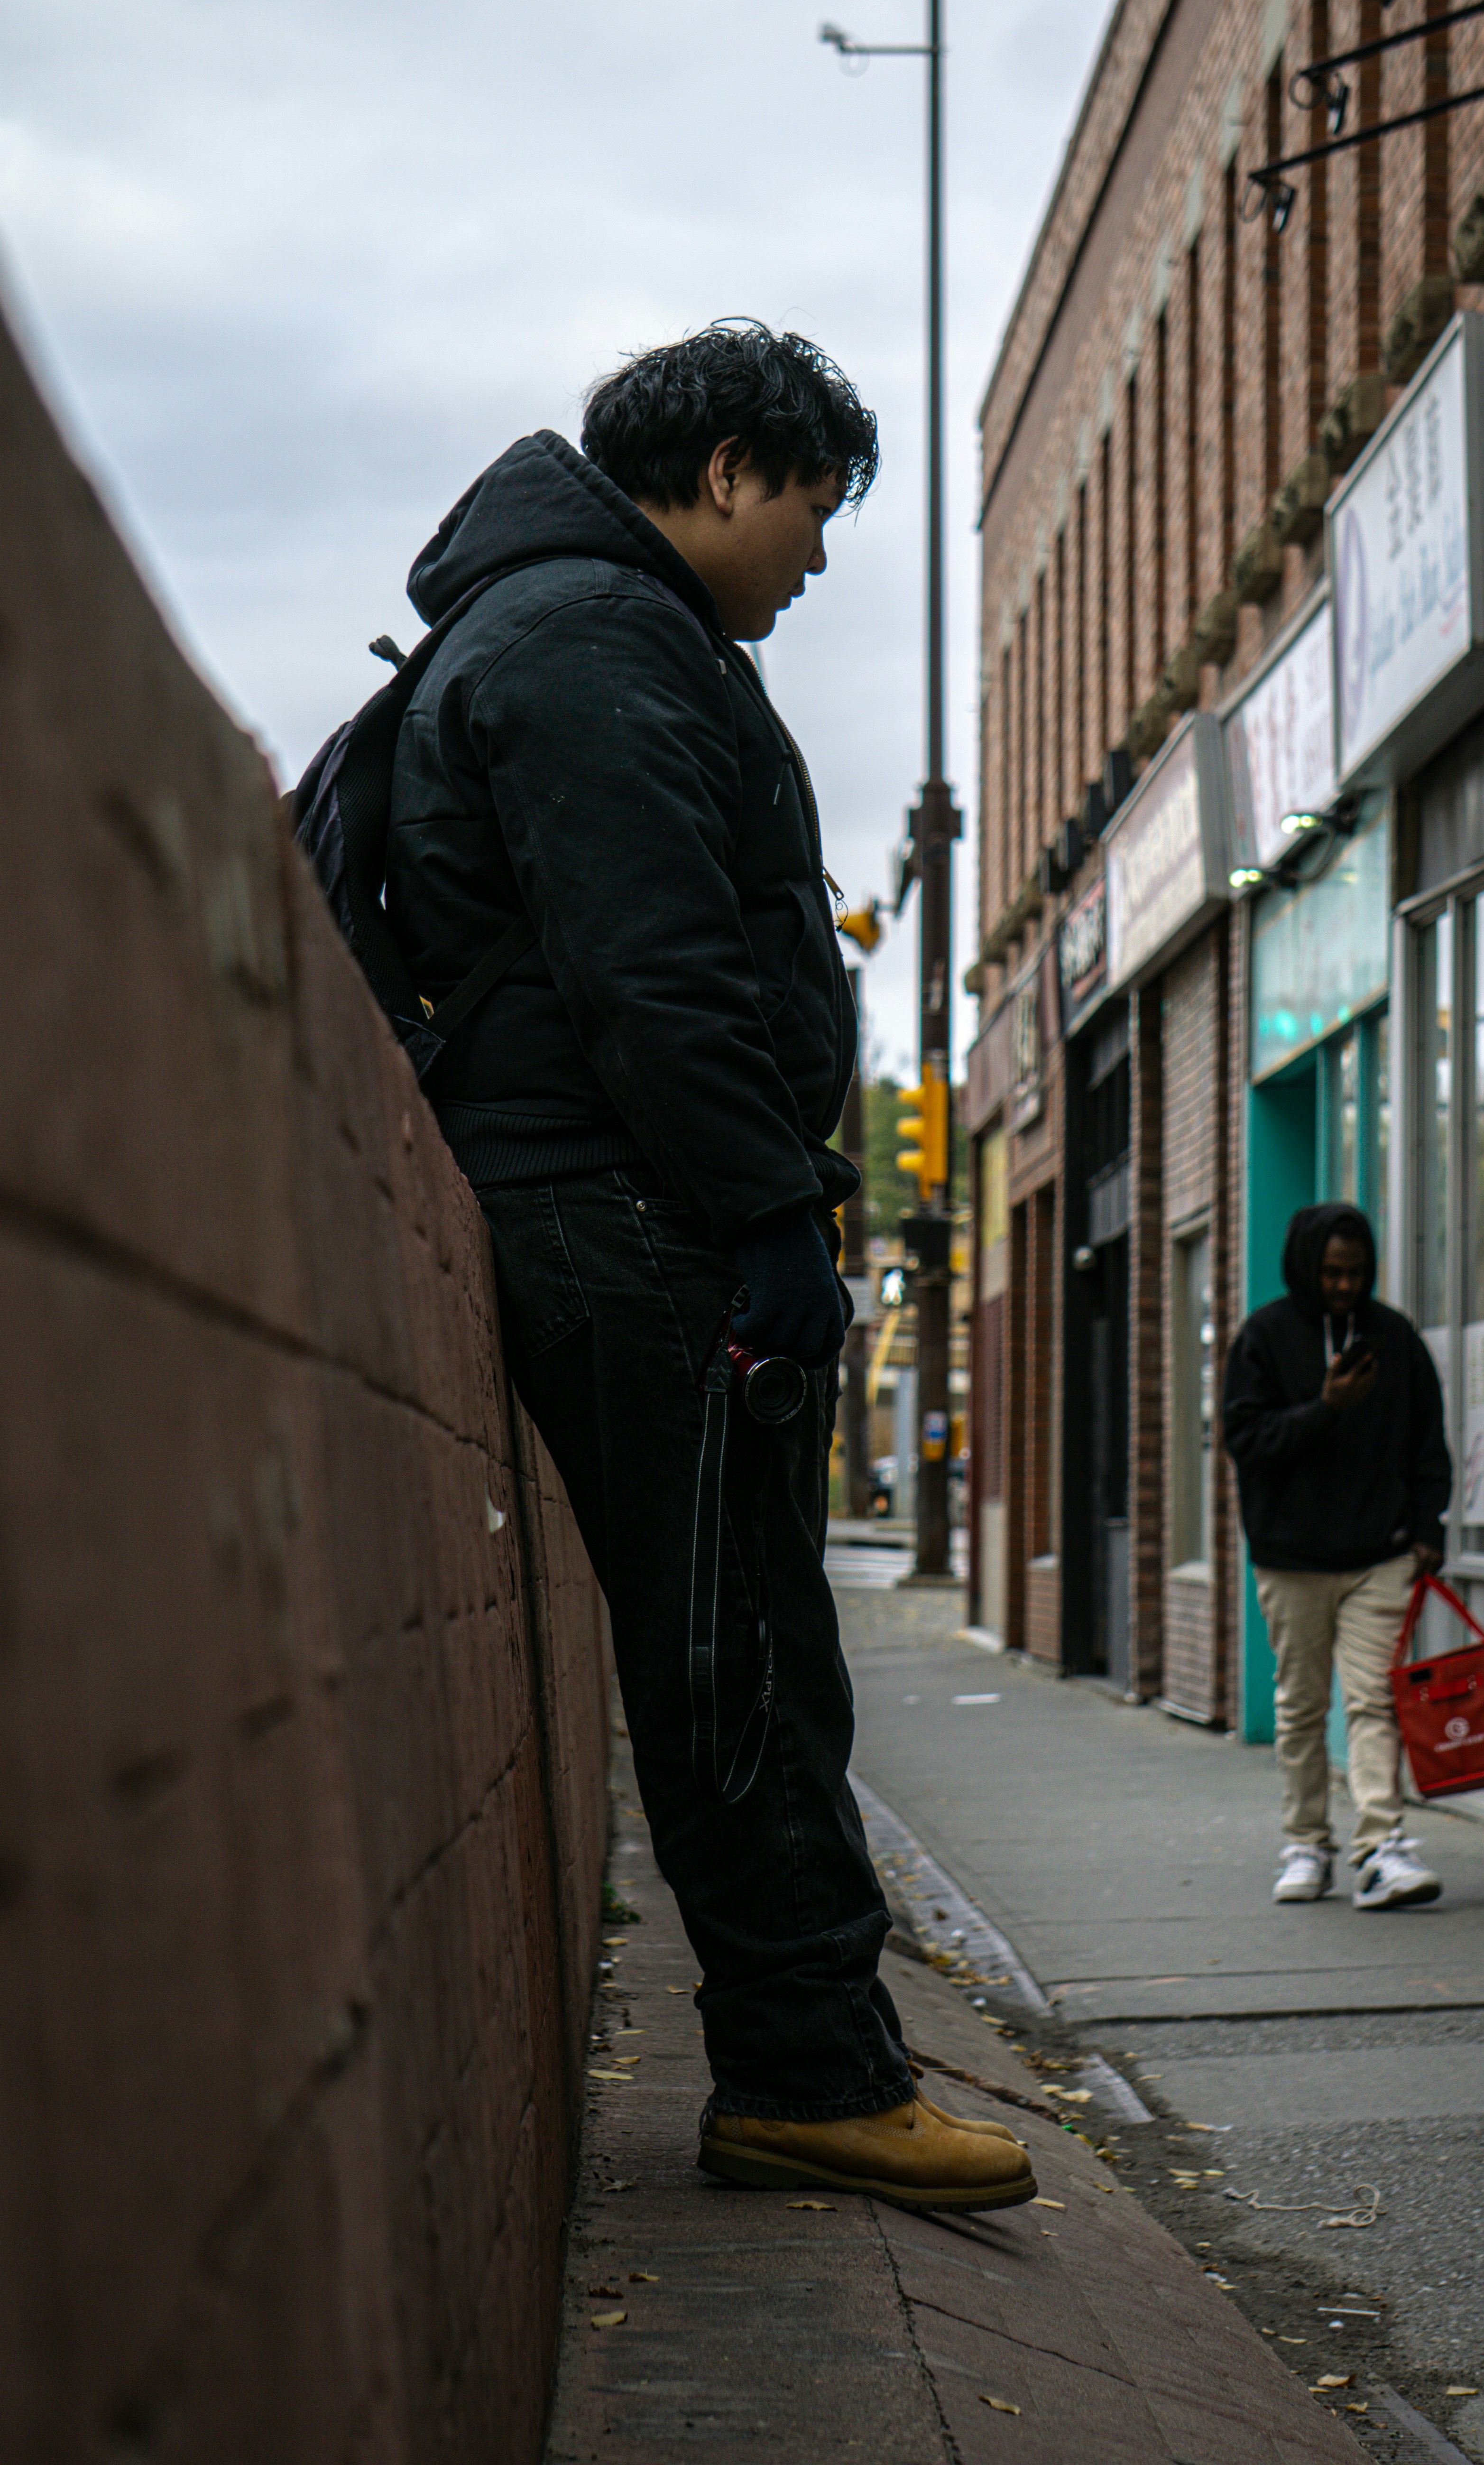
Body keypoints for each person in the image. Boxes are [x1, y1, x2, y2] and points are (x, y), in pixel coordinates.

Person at [386, 323, 1032, 2211]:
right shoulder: (586, 636)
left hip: (634, 1200)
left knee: (748, 1650)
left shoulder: (576, 620)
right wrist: (768, 1217)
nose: (820, 558)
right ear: (731, 468)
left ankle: (815, 2062)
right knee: (736, 1659)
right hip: (631, 1210)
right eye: (817, 510)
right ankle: (806, 2077)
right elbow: (651, 967)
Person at [1223, 1202, 1453, 1911]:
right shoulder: (1264, 1337)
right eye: (1331, 1273)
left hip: (1379, 1555)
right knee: (1300, 1707)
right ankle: (1308, 1844)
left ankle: (1381, 1846)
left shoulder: (1396, 1339)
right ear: (1306, 1266)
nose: (1345, 1286)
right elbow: (1246, 1440)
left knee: (1374, 1699)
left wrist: (1427, 1531)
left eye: (1355, 1273)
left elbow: (1427, 1443)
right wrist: (1325, 1408)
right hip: (1291, 1558)